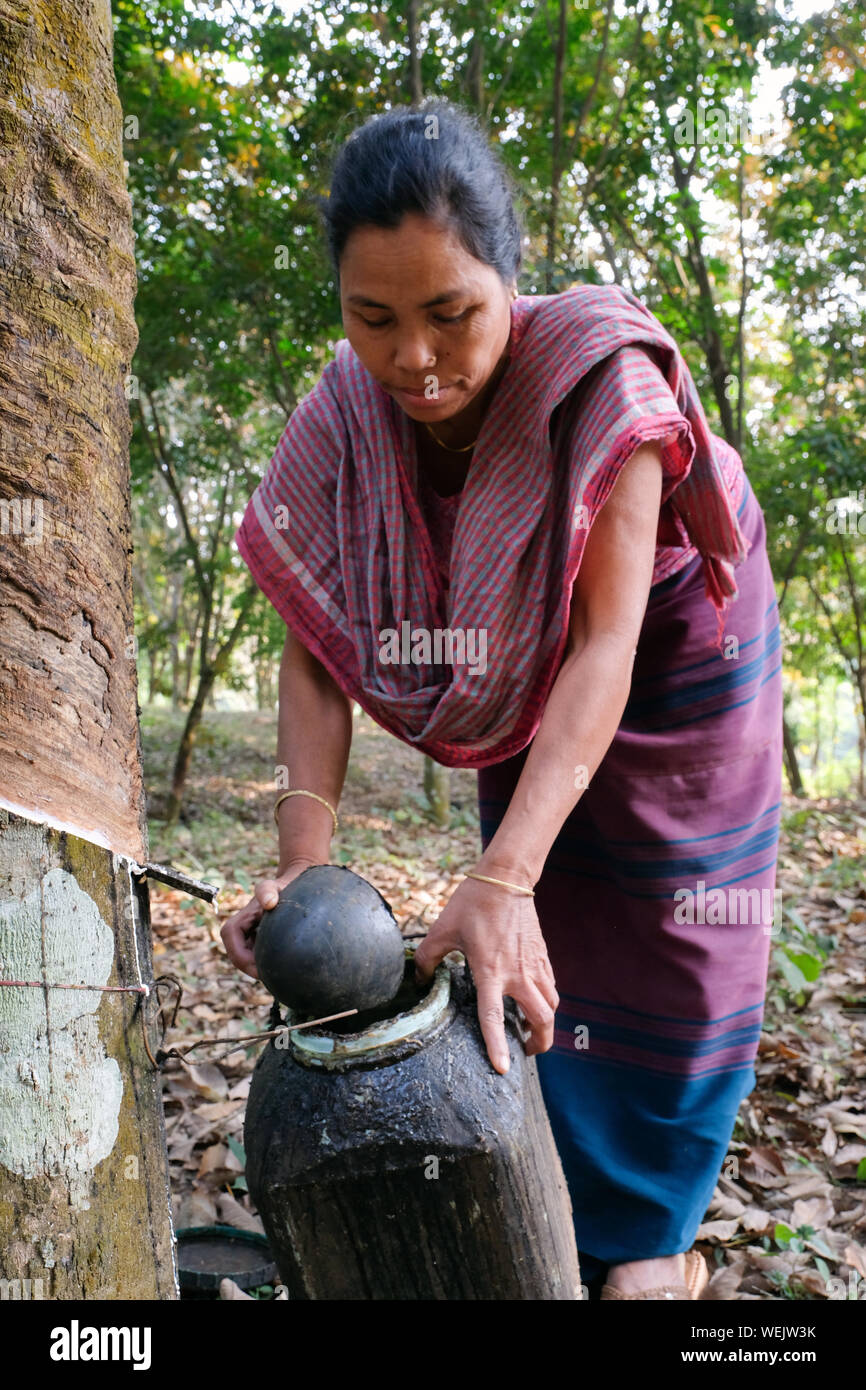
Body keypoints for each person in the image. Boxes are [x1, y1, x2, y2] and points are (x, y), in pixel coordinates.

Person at [224, 98, 782, 1301]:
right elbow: (315, 639)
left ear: (509, 286)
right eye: (371, 318)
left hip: (671, 651)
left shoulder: (600, 380)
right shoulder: (345, 413)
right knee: (530, 946)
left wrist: (500, 874)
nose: (410, 358)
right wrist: (304, 866)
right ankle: (556, 1204)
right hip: (522, 663)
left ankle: (650, 1243)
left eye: (450, 314)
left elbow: (601, 644)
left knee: (680, 932)